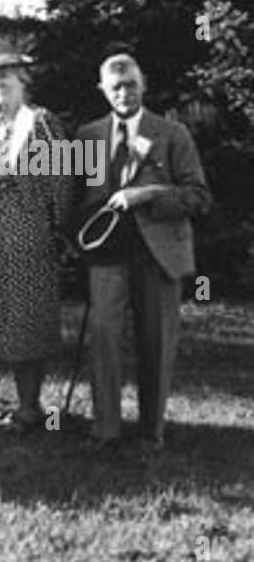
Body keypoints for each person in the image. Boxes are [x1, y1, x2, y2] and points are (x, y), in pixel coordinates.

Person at [76, 52, 212, 451]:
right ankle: (105, 429)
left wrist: (150, 194)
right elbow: (74, 195)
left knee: (156, 341)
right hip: (107, 256)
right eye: (115, 86)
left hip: (159, 255)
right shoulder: (87, 136)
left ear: (144, 84)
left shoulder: (173, 134)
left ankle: (151, 433)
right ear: (103, 90)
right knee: (103, 337)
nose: (124, 93)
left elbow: (199, 196)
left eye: (131, 84)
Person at [0, 52, 76, 431]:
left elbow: (62, 181)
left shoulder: (41, 122)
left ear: (23, 80)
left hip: (29, 238)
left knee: (28, 322)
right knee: (9, 323)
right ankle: (24, 402)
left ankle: (31, 407)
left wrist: (60, 232)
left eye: (7, 77)